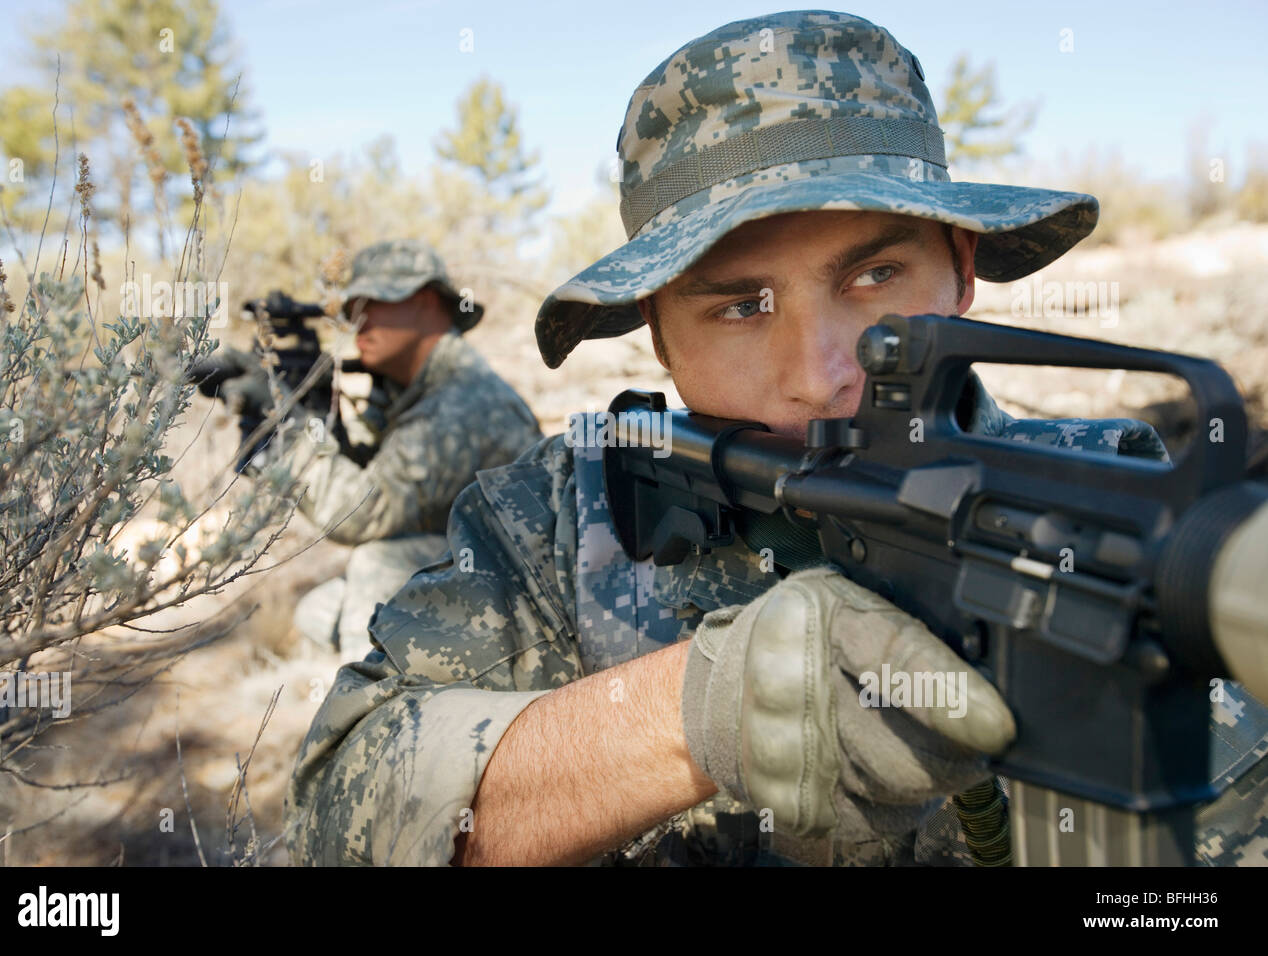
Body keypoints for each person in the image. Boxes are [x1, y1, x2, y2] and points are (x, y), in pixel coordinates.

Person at [283, 12, 1268, 866]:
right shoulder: (551, 522)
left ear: (959, 268)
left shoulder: (1119, 500)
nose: (819, 371)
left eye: (874, 275)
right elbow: (339, 813)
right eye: (741, 305)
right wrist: (688, 715)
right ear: (658, 331)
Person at [231, 239, 542, 662]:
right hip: (494, 591)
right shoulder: (423, 389)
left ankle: (377, 719)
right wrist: (314, 416)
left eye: (373, 302)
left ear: (426, 302)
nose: (358, 321)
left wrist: (287, 428)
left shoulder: (461, 401)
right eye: (351, 308)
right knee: (319, 614)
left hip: (533, 613)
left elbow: (361, 513)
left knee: (377, 564)